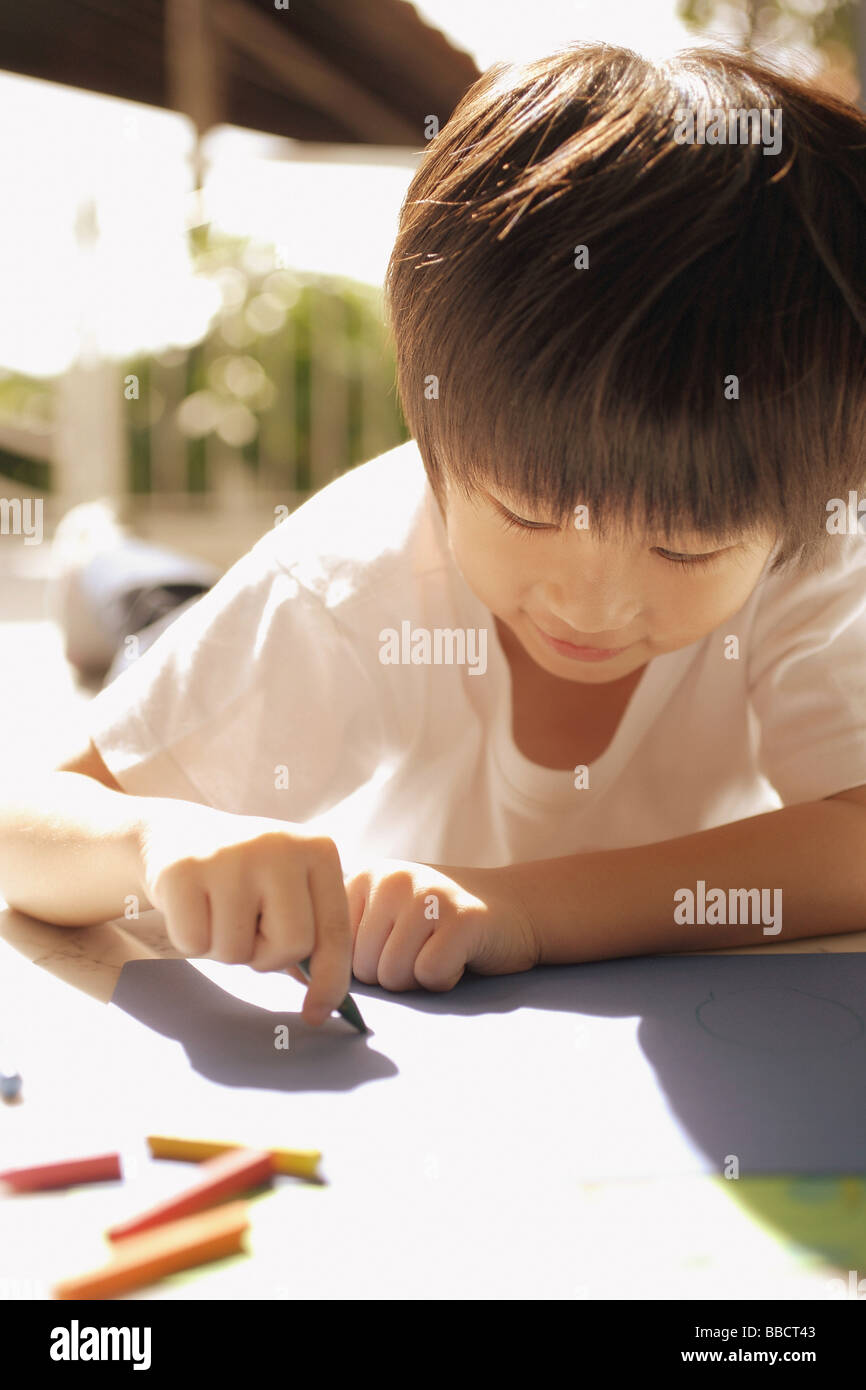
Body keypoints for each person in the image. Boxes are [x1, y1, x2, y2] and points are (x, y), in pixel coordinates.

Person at [2, 42, 865, 1029]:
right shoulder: (344, 578)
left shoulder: (803, 521)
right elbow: (24, 828)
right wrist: (150, 841)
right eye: (527, 515)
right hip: (254, 629)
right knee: (150, 616)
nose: (586, 603)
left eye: (682, 550)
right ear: (431, 439)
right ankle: (98, 557)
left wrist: (525, 908)